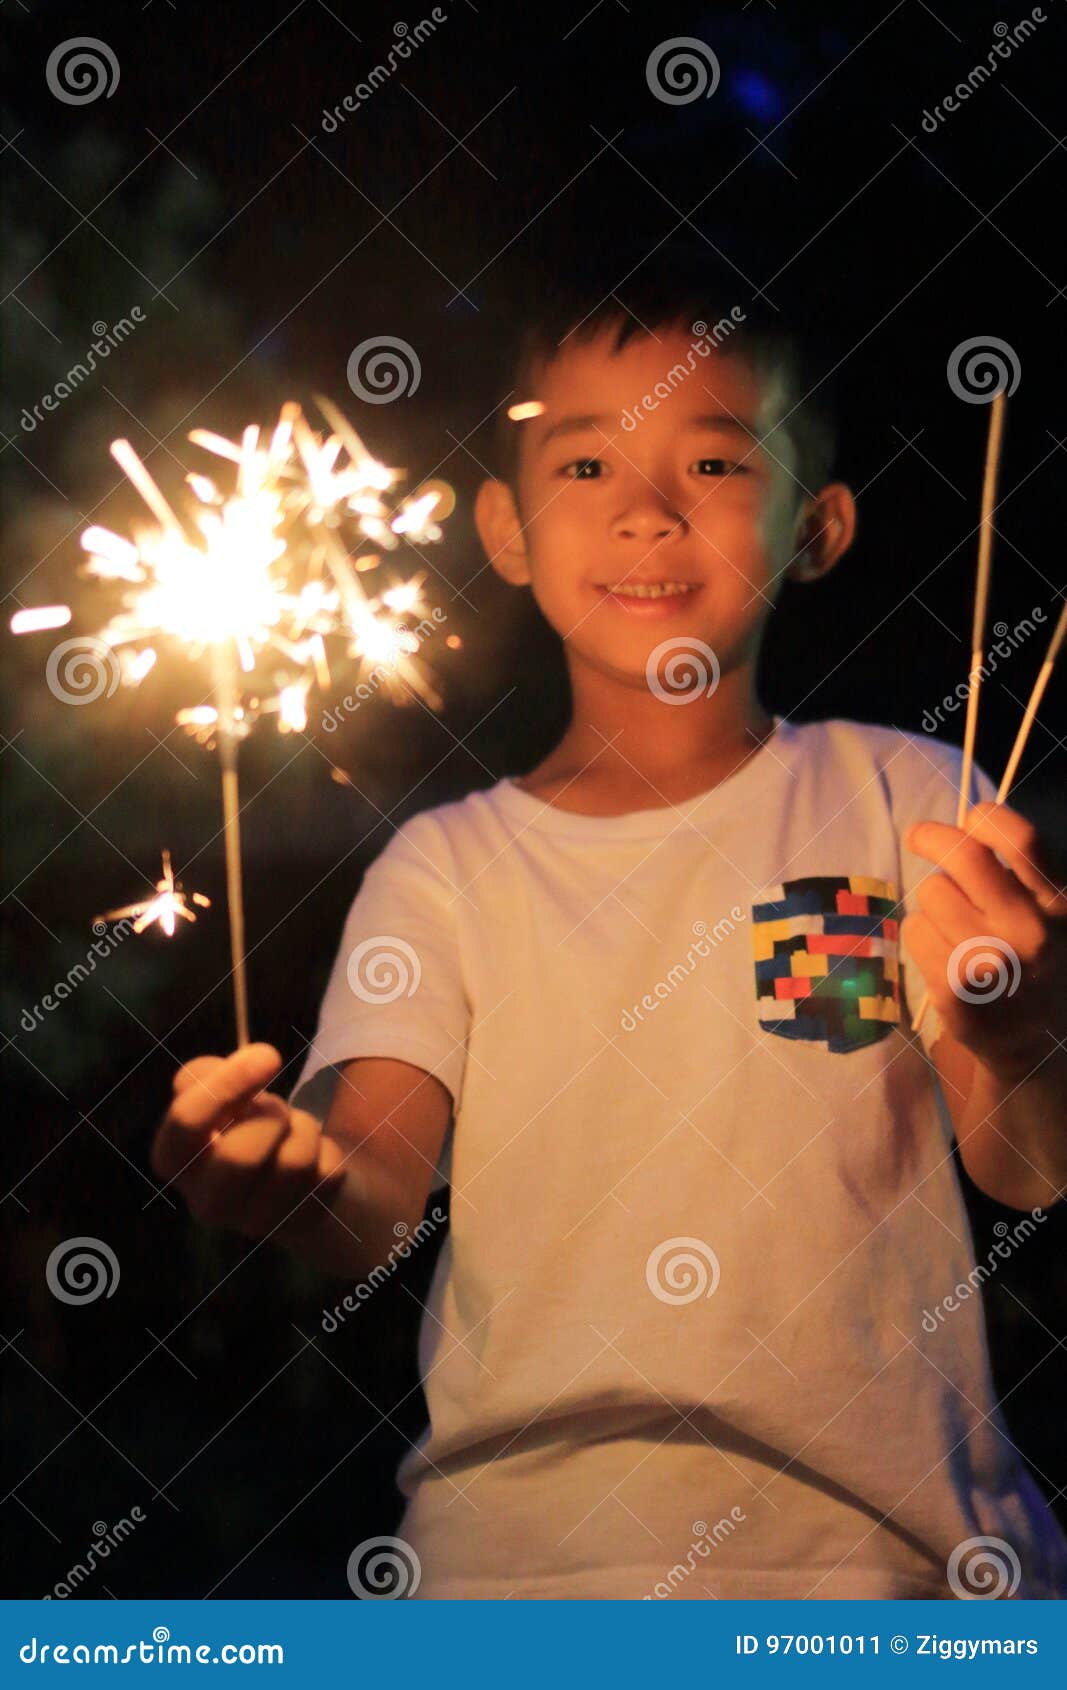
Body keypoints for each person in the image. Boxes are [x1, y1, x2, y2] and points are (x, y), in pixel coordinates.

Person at [151, 258, 1067, 1600]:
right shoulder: (449, 866)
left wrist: (1026, 1027)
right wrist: (292, 1169)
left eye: (711, 466)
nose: (644, 513)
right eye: (585, 468)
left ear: (817, 527)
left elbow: (1027, 1165)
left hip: (892, 1576)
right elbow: (371, 1186)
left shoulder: (909, 800)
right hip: (515, 1583)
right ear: (507, 529)